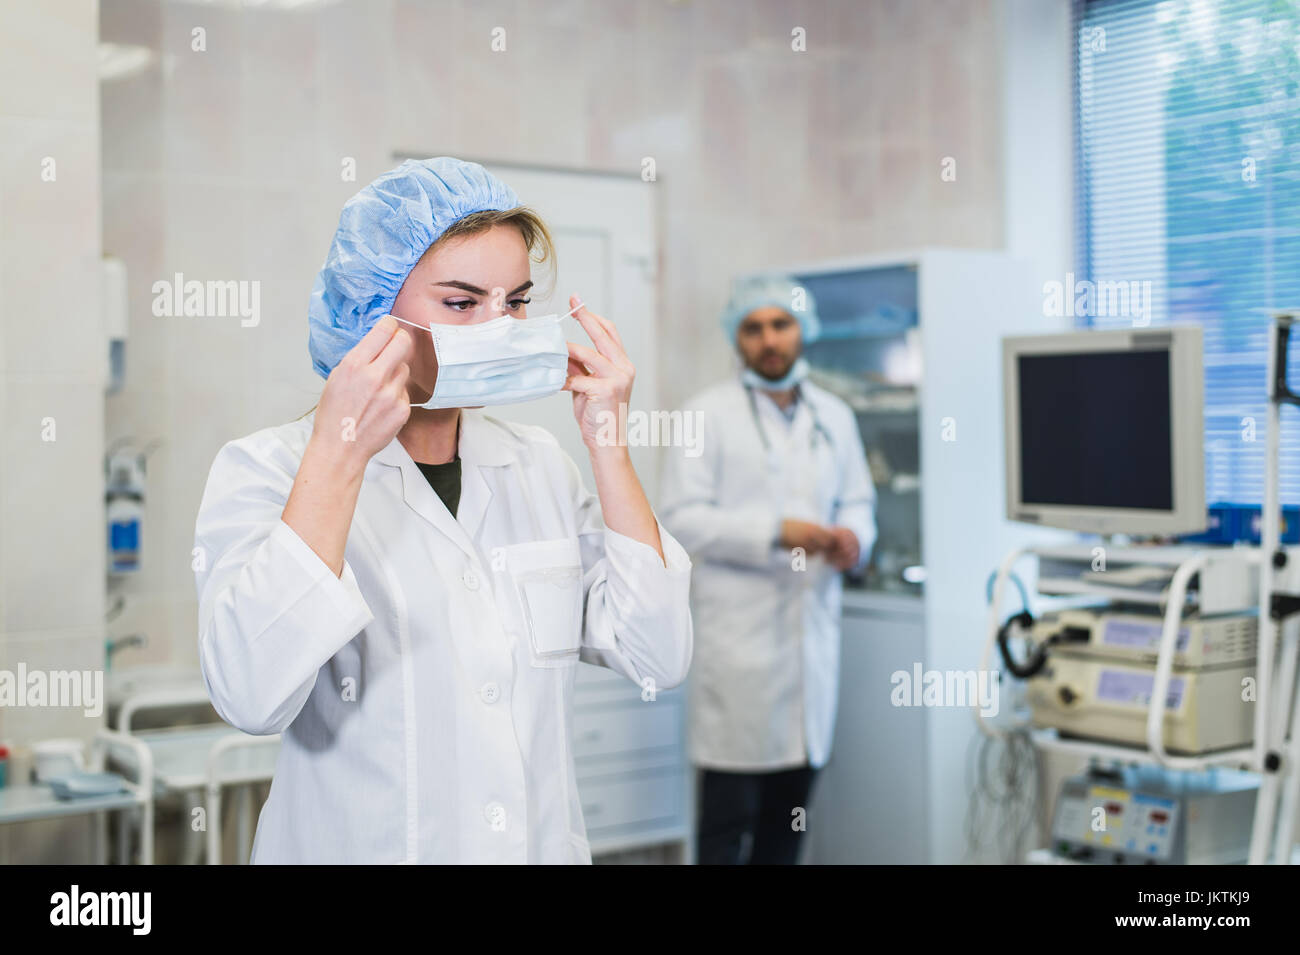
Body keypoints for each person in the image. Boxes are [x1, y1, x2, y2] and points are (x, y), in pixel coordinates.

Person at [192, 157, 693, 864]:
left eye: (515, 302)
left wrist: (607, 441)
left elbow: (658, 654)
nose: (501, 326)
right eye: (462, 304)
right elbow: (250, 695)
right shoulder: (268, 469)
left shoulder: (538, 464)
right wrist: (338, 455)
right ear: (371, 311)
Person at [660, 275, 876, 865]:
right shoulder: (704, 414)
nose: (769, 339)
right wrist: (778, 531)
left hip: (811, 641)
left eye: (780, 324)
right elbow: (681, 518)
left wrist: (857, 537)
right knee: (728, 823)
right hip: (739, 650)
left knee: (789, 822)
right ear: (738, 339)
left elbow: (859, 499)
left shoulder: (835, 416)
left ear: (803, 331)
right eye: (754, 328)